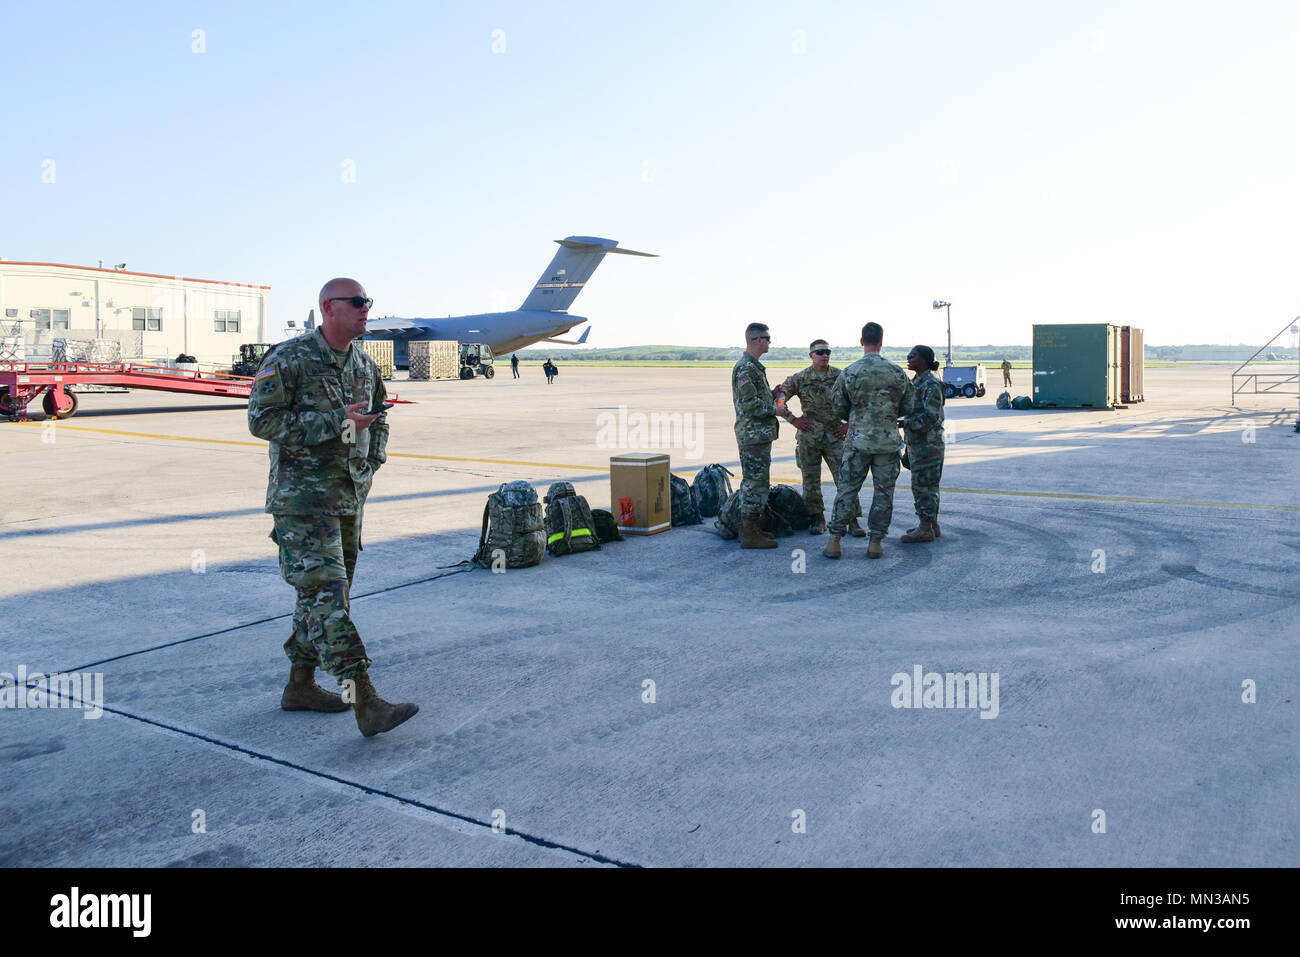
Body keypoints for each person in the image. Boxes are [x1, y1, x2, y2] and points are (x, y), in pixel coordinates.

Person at [247, 277, 419, 737]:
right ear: (329, 307)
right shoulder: (290, 358)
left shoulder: (363, 363)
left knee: (325, 598)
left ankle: (299, 686)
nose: (366, 309)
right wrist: (335, 421)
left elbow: (380, 415)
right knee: (326, 597)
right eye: (358, 302)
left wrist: (372, 461)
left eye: (368, 302)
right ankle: (366, 700)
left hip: (347, 499)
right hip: (302, 501)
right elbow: (261, 419)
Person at [823, 322, 914, 560]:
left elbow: (837, 407)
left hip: (858, 442)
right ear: (881, 342)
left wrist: (857, 417)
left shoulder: (850, 372)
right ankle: (875, 542)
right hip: (887, 443)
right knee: (884, 492)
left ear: (861, 341)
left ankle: (834, 541)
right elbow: (909, 406)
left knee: (847, 490)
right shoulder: (896, 372)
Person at [775, 339, 864, 536]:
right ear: (811, 355)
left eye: (827, 351)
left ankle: (852, 519)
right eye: (820, 352)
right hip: (809, 436)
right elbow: (780, 396)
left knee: (845, 478)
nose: (825, 355)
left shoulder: (840, 376)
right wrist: (792, 419)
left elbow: (857, 401)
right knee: (810, 480)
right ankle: (817, 518)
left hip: (835, 436)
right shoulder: (799, 378)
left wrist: (849, 423)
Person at [731, 322, 780, 548]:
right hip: (753, 436)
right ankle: (749, 534)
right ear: (757, 340)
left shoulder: (753, 367)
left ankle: (753, 528)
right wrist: (775, 409)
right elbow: (749, 405)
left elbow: (755, 399)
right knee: (755, 483)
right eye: (767, 338)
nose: (770, 342)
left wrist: (772, 395)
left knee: (757, 482)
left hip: (757, 435)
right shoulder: (746, 368)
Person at [899, 344, 945, 543]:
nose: (908, 358)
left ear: (924, 359)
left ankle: (925, 528)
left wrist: (904, 423)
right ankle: (932, 525)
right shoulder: (917, 381)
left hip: (928, 444)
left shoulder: (930, 384)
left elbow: (931, 417)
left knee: (923, 486)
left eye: (913, 355)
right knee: (927, 485)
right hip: (918, 443)